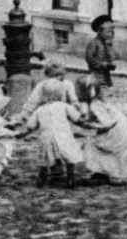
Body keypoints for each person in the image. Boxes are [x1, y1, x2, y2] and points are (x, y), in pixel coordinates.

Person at [18, 59, 87, 188]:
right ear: (49, 74)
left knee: (51, 150)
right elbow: (32, 102)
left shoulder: (66, 84)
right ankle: (62, 172)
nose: (58, 78)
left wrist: (77, 109)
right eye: (55, 75)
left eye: (60, 75)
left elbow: (74, 100)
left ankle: (47, 175)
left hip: (60, 119)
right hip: (57, 120)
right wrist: (23, 116)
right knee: (63, 149)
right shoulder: (42, 85)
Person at [73, 73, 127, 184]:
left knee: (90, 144)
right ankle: (103, 173)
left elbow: (106, 124)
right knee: (94, 144)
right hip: (121, 131)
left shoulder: (95, 106)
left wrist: (90, 128)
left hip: (117, 133)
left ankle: (106, 174)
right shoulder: (98, 103)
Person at [85, 14, 117, 98]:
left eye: (112, 31)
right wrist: (100, 64)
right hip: (96, 73)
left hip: (105, 73)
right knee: (100, 91)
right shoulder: (94, 43)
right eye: (108, 32)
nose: (111, 34)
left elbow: (108, 56)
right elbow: (89, 58)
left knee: (107, 90)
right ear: (99, 31)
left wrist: (110, 64)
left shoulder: (106, 43)